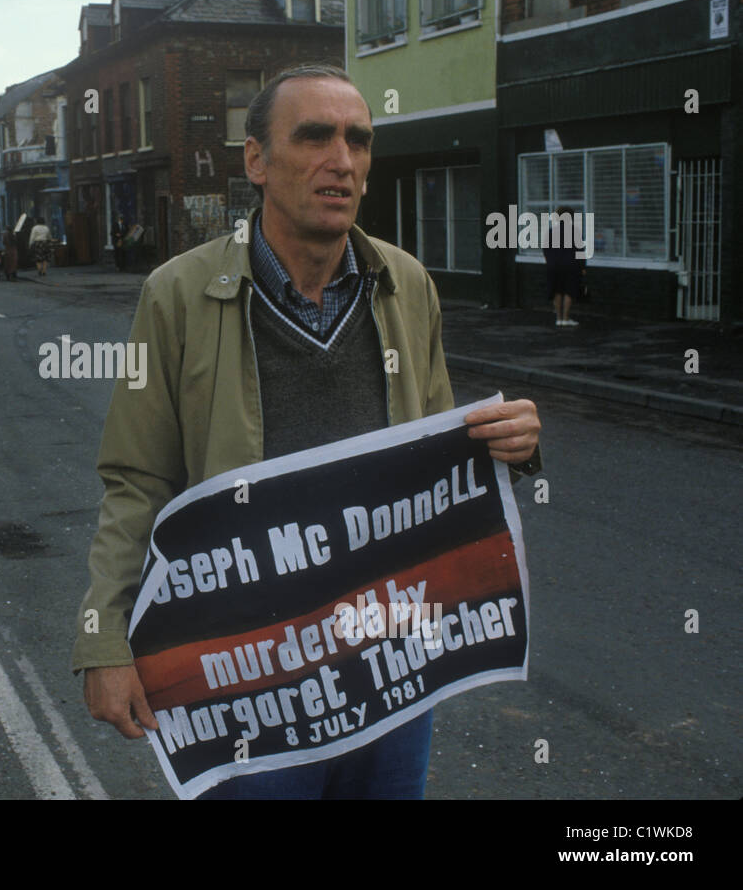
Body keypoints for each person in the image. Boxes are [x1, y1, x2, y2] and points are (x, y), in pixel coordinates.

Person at [73, 63, 542, 800]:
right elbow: (136, 481)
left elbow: (440, 462)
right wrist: (105, 639)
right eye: (315, 137)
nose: (342, 161)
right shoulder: (176, 295)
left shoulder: (408, 284)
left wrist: (509, 442)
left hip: (392, 667)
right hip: (253, 677)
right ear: (255, 160)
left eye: (358, 140)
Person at [545, 205, 584, 327]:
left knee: (557, 291)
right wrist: (583, 267)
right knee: (569, 291)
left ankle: (559, 318)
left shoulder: (550, 232)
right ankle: (566, 318)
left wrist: (550, 262)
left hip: (554, 265)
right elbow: (580, 250)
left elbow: (546, 250)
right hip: (570, 265)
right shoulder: (575, 231)